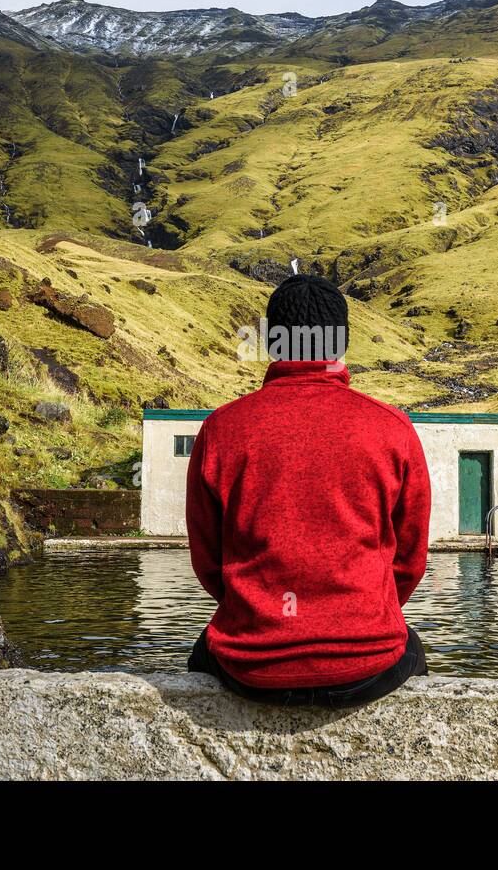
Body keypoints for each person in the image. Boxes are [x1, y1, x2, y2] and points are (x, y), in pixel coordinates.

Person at [185, 273, 431, 709]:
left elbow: (209, 562)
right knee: (413, 649)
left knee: (201, 655)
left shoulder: (221, 429)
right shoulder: (392, 428)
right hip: (368, 663)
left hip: (251, 664)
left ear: (273, 342)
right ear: (342, 343)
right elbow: (408, 561)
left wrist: (263, 611)